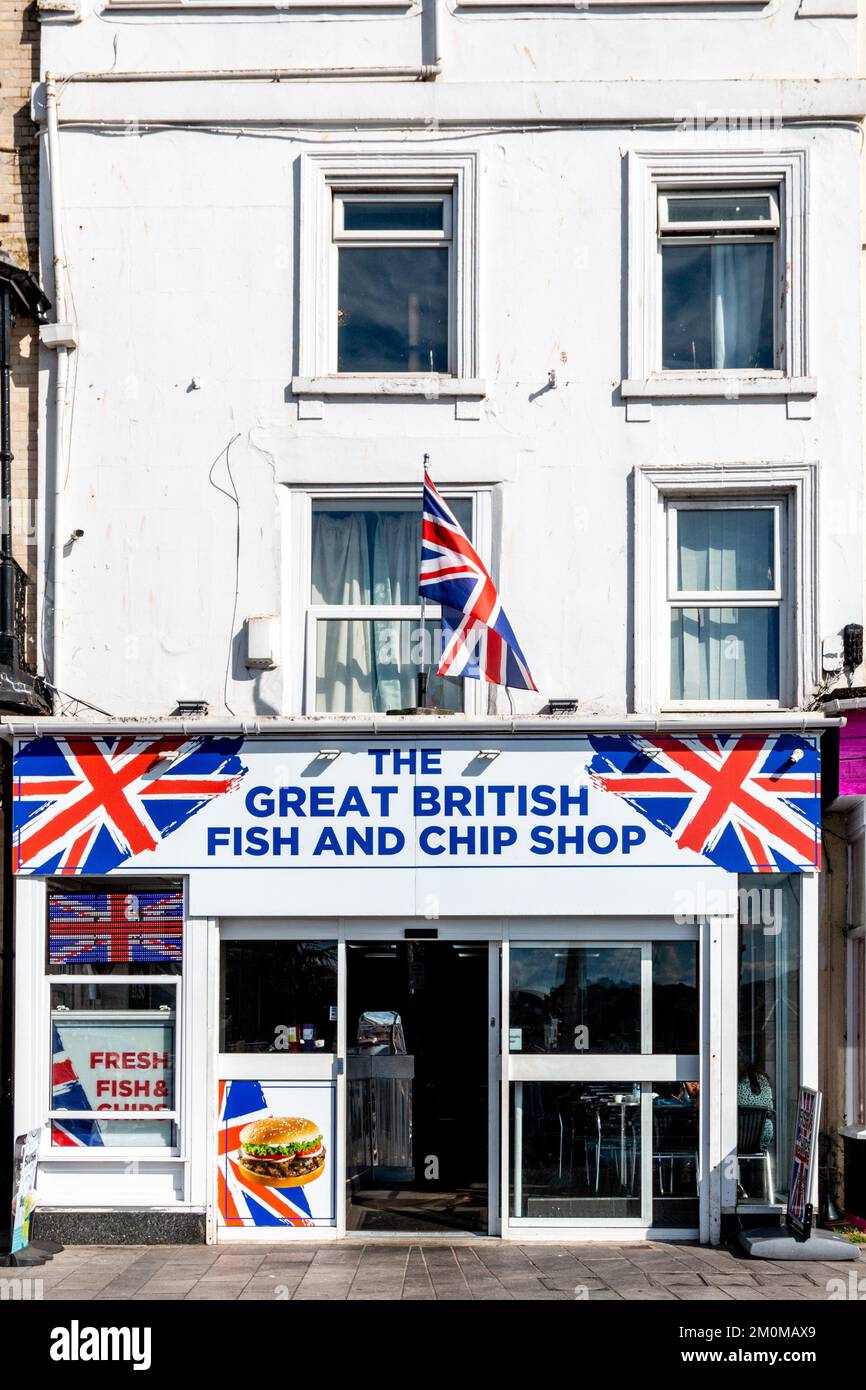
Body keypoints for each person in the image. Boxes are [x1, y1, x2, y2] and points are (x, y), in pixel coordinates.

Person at [737, 1063, 774, 1150]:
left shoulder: (739, 1083)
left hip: (740, 1136)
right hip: (762, 1136)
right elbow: (770, 1109)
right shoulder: (765, 1083)